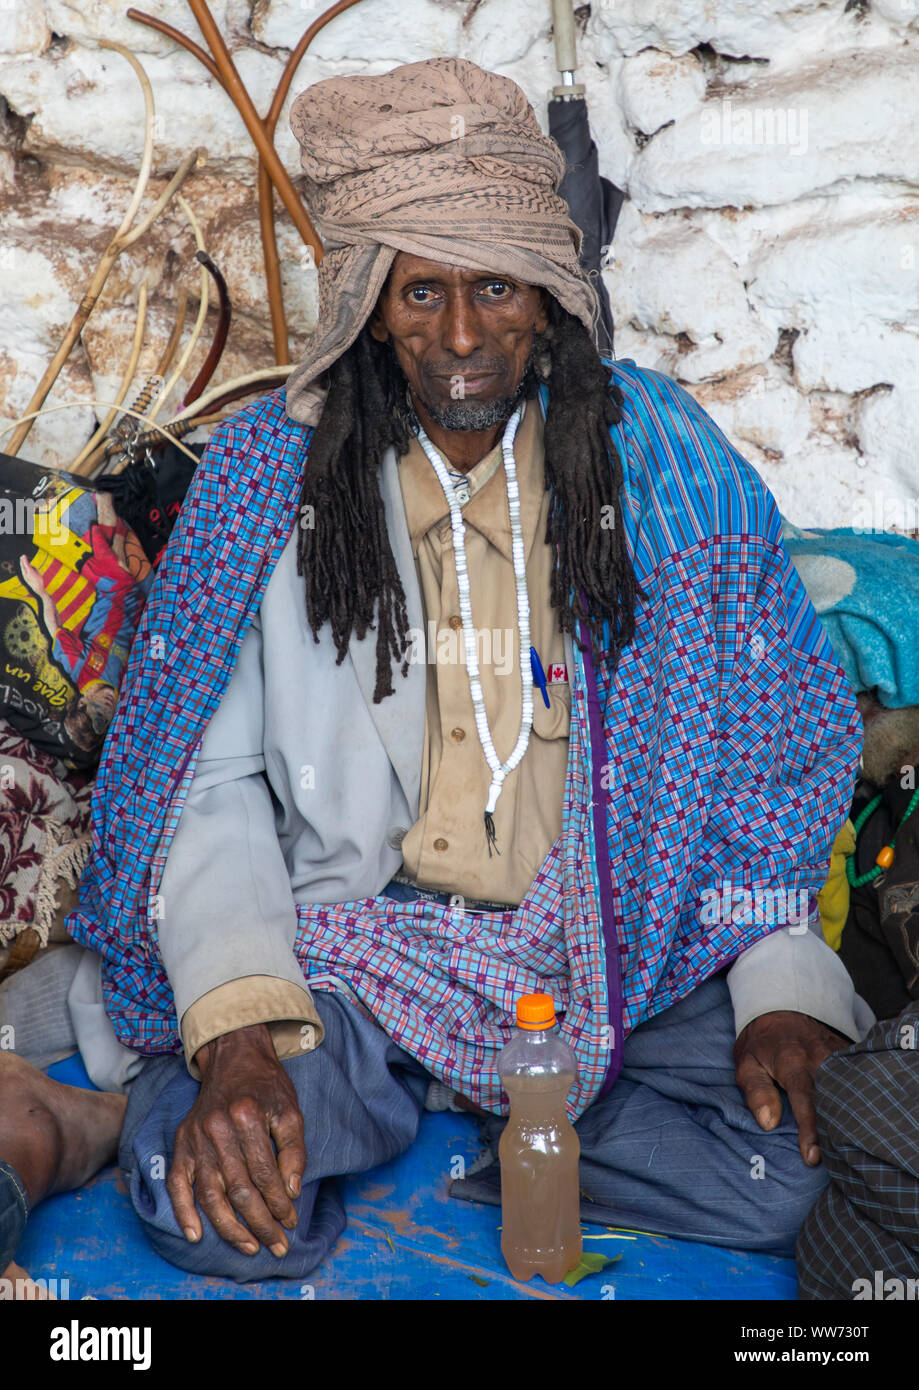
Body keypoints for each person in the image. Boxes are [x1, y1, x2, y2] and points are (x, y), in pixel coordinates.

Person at [0, 56, 870, 1287]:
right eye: (419, 295)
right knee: (204, 1199)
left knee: (798, 1171)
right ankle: (429, 1118)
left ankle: (481, 1133)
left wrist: (780, 988)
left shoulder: (668, 463)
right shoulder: (267, 483)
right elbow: (207, 782)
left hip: (620, 946)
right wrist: (244, 1035)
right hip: (356, 946)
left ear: (551, 298)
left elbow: (768, 754)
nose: (461, 337)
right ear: (364, 303)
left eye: (496, 288)